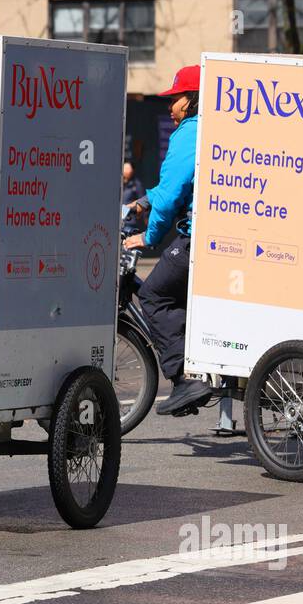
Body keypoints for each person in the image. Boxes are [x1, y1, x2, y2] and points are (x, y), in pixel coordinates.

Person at [122, 65, 212, 416]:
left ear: (192, 100)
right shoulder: (211, 127)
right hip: (215, 239)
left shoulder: (190, 132)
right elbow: (174, 186)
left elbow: (173, 193)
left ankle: (183, 380)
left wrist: (149, 237)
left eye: (175, 98)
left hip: (196, 239)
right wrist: (143, 202)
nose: (170, 107)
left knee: (153, 295)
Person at [120, 161, 147, 237]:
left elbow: (143, 201)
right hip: (117, 219)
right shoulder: (119, 182)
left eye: (128, 169)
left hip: (129, 221)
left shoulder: (136, 184)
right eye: (125, 169)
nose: (126, 171)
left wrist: (145, 217)